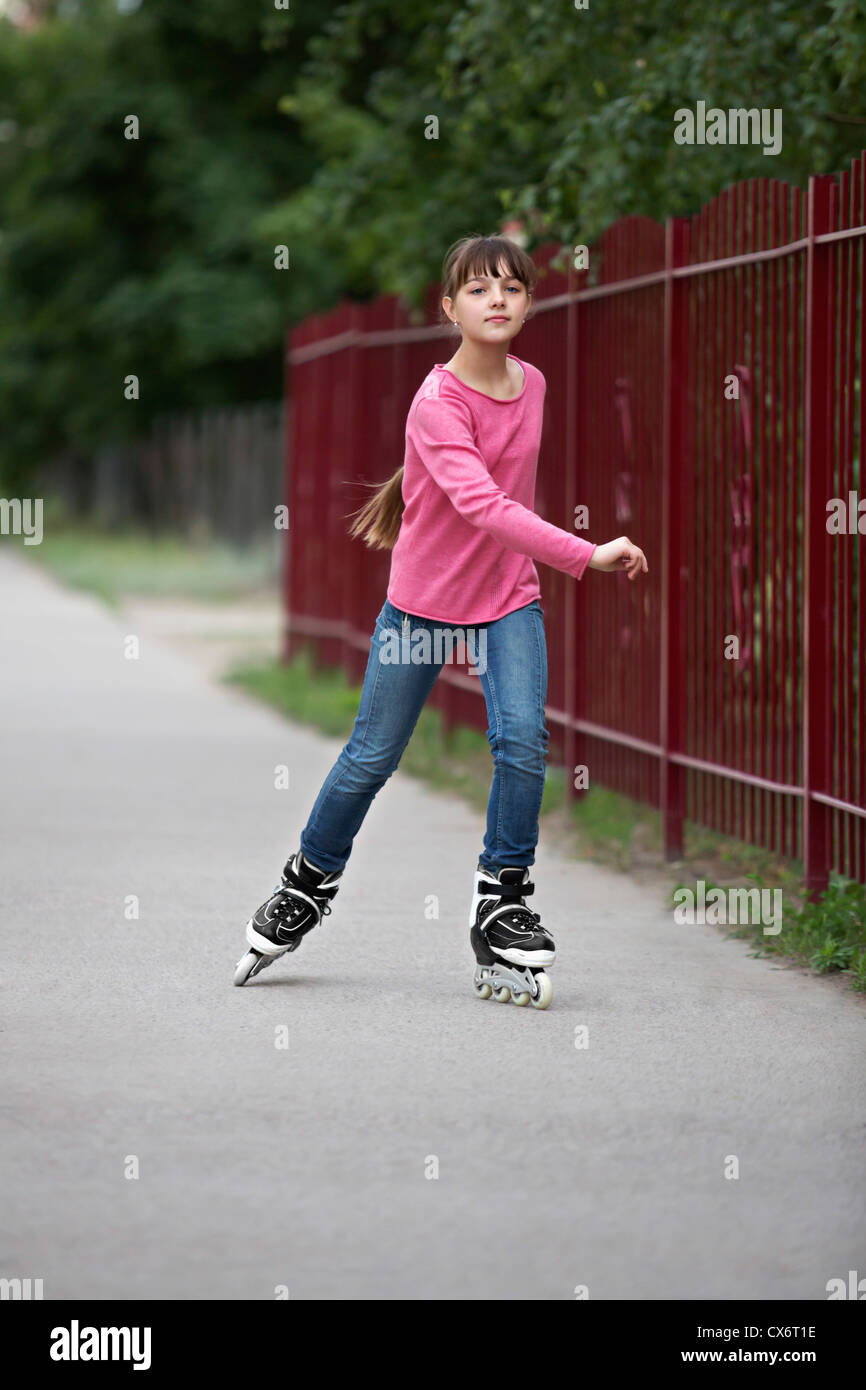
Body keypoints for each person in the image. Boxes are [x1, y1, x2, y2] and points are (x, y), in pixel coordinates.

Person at [234, 233, 648, 1006]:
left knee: (522, 739)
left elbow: (504, 505)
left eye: (512, 288)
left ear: (529, 304)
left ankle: (503, 898)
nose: (498, 299)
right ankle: (307, 881)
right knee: (372, 755)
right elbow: (485, 505)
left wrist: (549, 564)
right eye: (480, 288)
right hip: (421, 605)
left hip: (505, 600)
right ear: (449, 307)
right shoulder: (436, 401)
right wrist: (584, 555)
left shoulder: (534, 385)